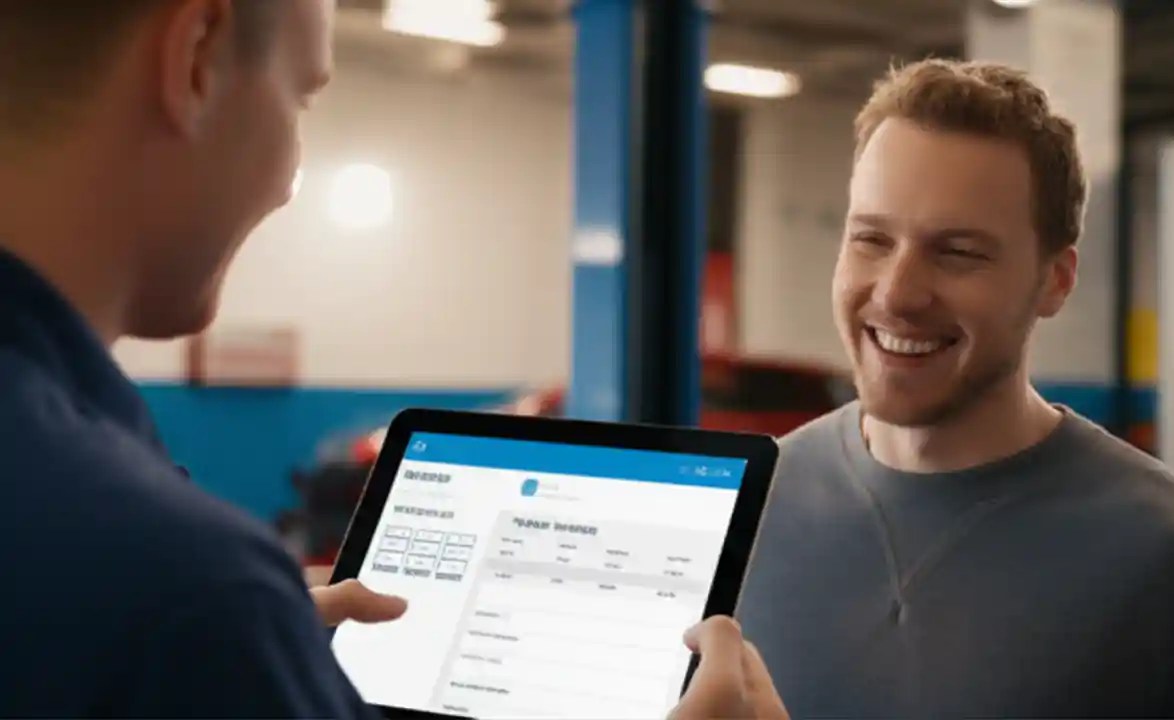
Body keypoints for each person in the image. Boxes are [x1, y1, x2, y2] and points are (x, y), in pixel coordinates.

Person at [0, 1, 786, 717]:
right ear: (196, 58)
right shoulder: (179, 599)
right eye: (300, 98)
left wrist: (260, 657)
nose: (286, 183)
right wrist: (229, 636)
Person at [736, 59, 1174, 718]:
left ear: (1055, 280)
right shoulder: (744, 513)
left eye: (959, 252)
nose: (898, 292)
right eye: (871, 240)